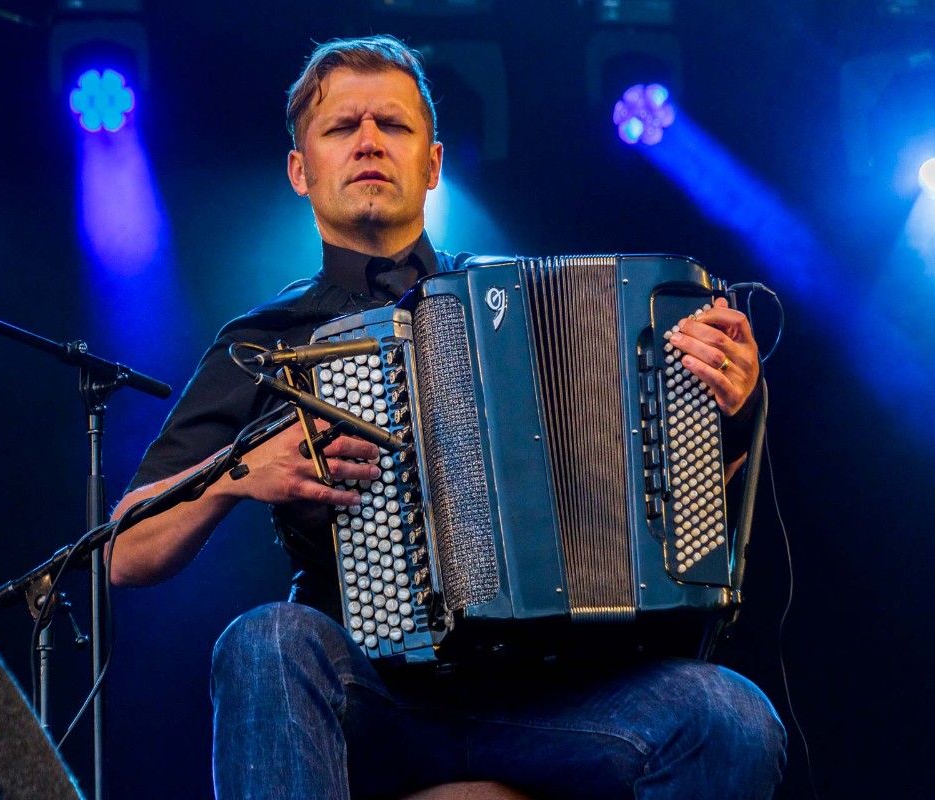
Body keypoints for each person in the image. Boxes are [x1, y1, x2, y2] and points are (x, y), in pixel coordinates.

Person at [110, 35, 785, 800]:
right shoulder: (263, 340)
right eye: (341, 128)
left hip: (551, 705)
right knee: (264, 640)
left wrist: (725, 404)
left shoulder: (526, 306)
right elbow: (126, 551)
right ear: (301, 171)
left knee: (732, 718)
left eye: (393, 126)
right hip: (372, 701)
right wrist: (239, 473)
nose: (368, 142)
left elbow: (673, 506)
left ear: (432, 164)